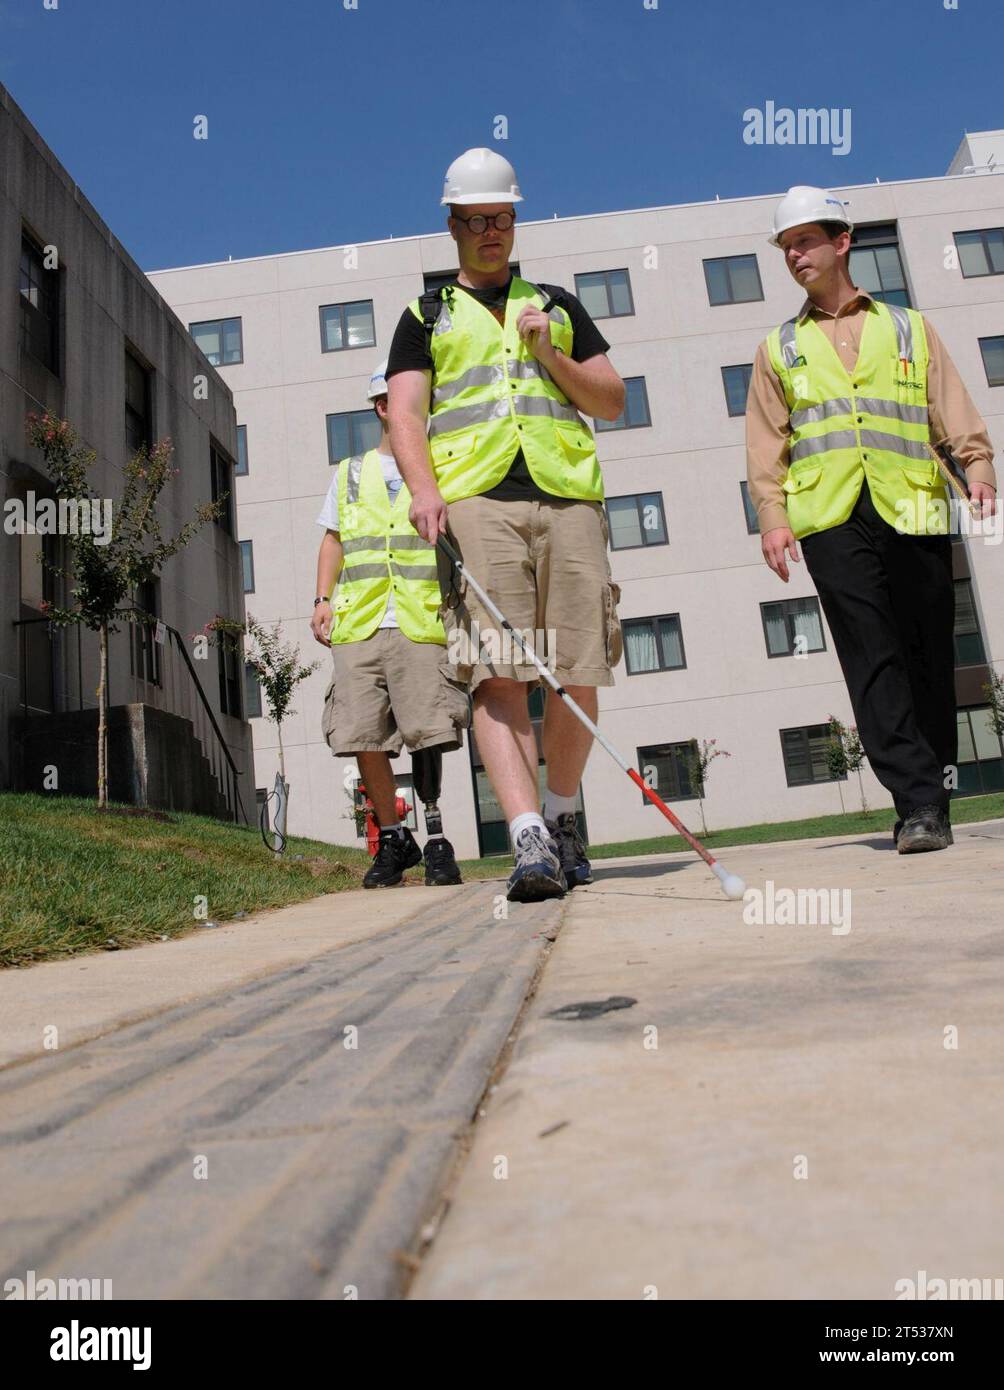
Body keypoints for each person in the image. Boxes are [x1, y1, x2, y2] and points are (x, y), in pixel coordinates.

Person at [386, 147, 625, 902]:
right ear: (452, 224)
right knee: (497, 673)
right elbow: (405, 415)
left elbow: (611, 399)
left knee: (577, 666)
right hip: (477, 504)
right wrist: (425, 492)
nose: (492, 231)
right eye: (477, 220)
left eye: (504, 218)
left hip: (567, 500)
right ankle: (526, 840)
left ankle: (561, 821)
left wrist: (550, 351)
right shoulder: (424, 314)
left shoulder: (555, 305)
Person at [746, 185, 998, 853]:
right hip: (829, 515)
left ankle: (932, 793)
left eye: (804, 241)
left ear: (842, 242)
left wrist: (977, 469)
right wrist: (772, 517)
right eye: (786, 246)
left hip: (913, 499)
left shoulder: (909, 327)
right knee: (870, 653)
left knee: (927, 648)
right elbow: (766, 442)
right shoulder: (778, 349)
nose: (794, 254)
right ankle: (916, 802)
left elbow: (952, 407)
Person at [311, 360, 469, 887]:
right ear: (382, 406)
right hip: (359, 623)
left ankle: (439, 839)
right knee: (364, 734)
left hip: (421, 619)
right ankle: (395, 840)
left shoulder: (440, 467)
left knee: (429, 731)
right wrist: (322, 598)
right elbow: (333, 539)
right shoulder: (349, 473)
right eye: (402, 399)